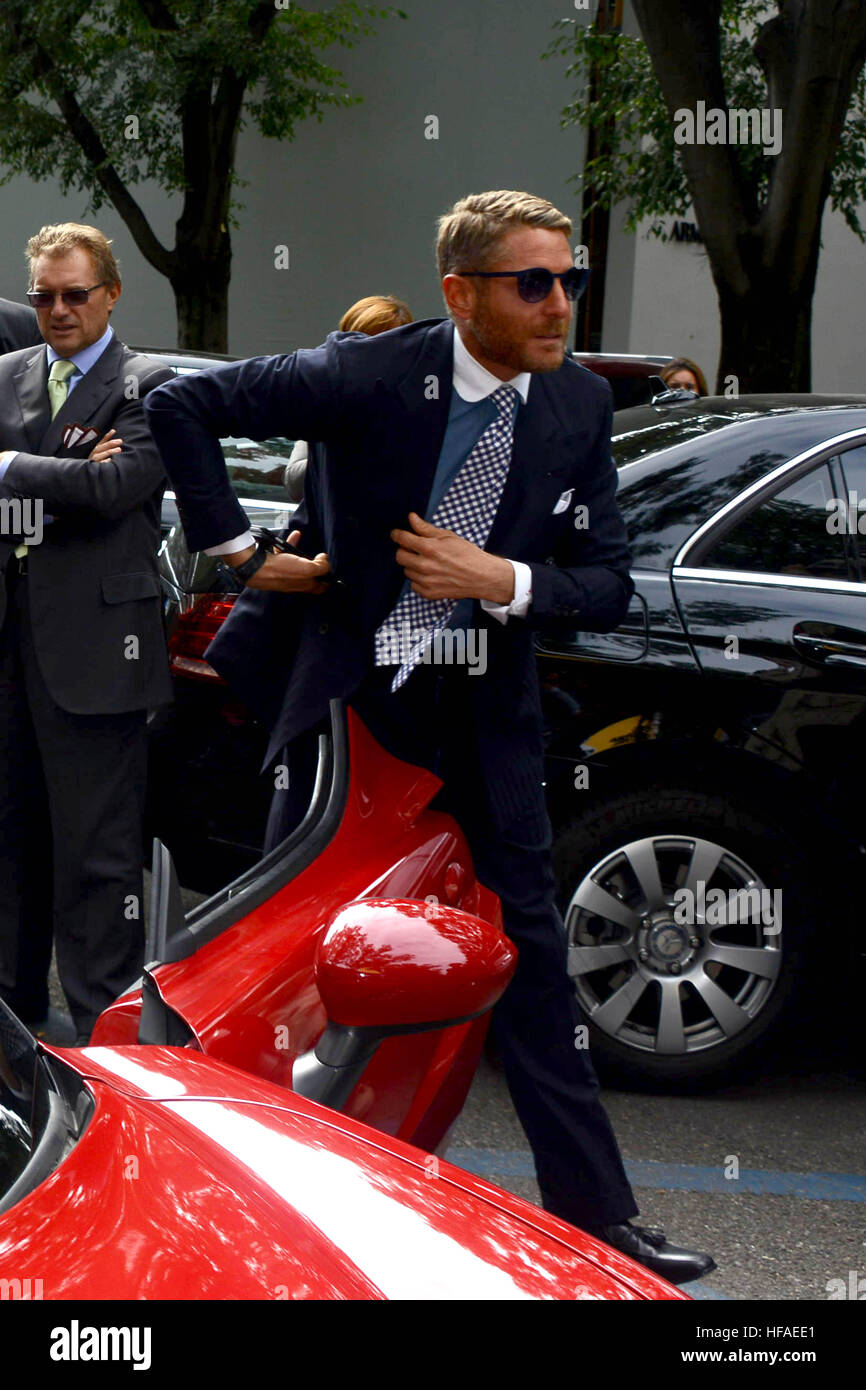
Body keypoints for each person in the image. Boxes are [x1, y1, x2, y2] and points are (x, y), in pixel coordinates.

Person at [144, 189, 714, 1284]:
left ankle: (599, 1217)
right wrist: (236, 548)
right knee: (289, 952)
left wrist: (498, 579)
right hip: (354, 711)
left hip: (483, 719)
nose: (559, 304)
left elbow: (606, 588)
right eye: (532, 282)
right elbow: (182, 403)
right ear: (461, 292)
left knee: (535, 964)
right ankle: (237, 1198)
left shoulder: (576, 405)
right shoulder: (364, 374)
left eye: (571, 280)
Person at [0, 222, 173, 1045]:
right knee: (8, 838)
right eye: (43, 295)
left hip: (100, 653)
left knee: (98, 857)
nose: (57, 309)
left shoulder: (150, 382)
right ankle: (13, 1017)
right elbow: (87, 486)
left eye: (74, 294)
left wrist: (8, 469)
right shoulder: (7, 375)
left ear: (110, 293)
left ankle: (106, 1032)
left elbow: (120, 487)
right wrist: (73, 477)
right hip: (10, 644)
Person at [283, 295, 412, 502]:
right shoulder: (324, 393)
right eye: (362, 343)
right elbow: (294, 484)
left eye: (385, 346)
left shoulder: (419, 402)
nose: (370, 356)